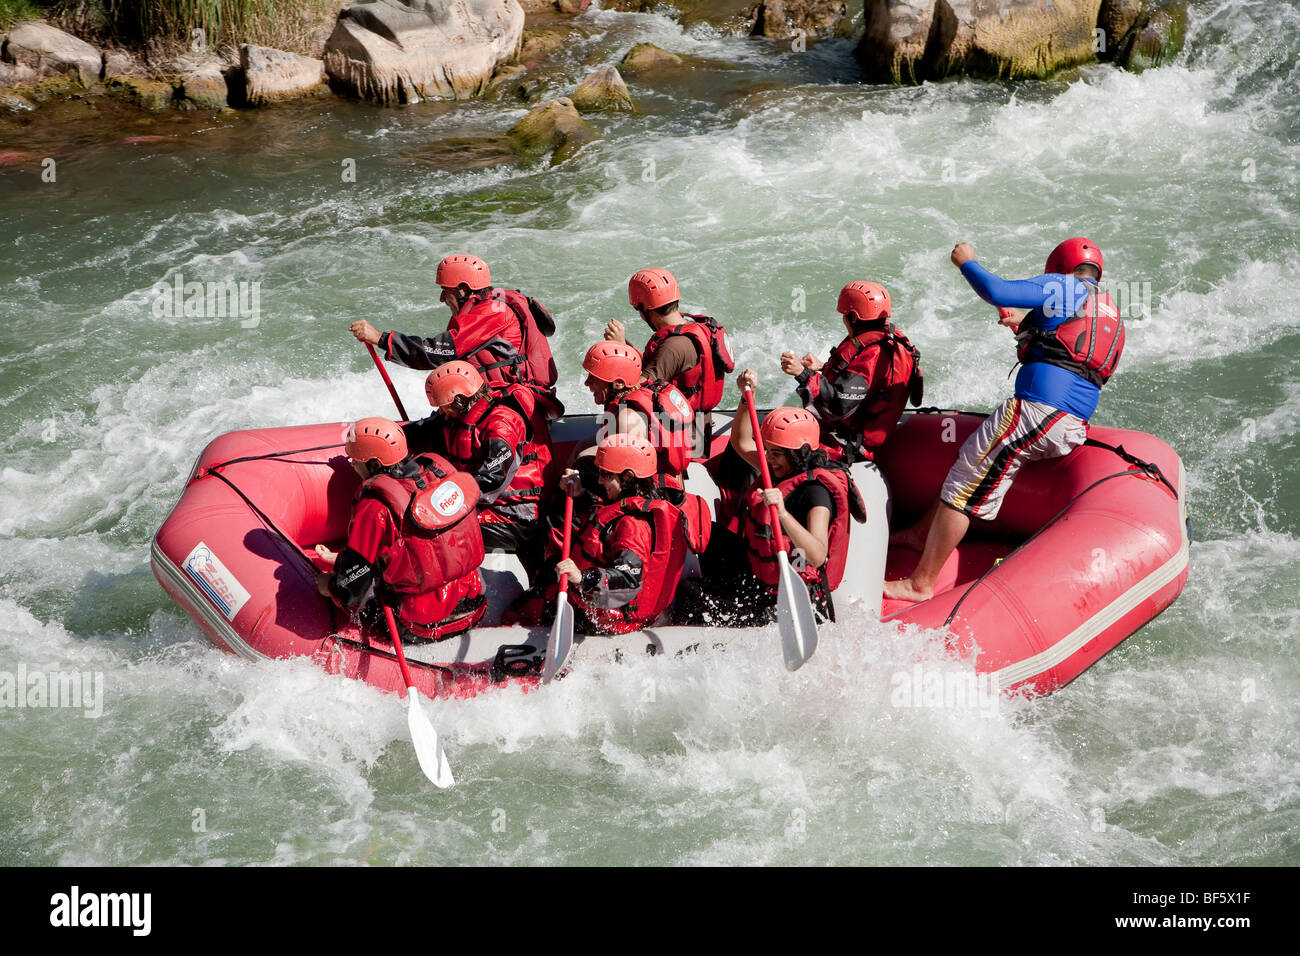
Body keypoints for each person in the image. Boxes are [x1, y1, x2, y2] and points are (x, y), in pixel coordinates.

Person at [884, 237, 1124, 603]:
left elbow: (995, 289)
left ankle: (920, 583)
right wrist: (1023, 323)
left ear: (1059, 266)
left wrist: (967, 262)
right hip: (1070, 424)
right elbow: (1066, 347)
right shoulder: (1107, 310)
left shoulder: (1064, 285)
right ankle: (922, 534)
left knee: (965, 483)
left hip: (1037, 413)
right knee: (970, 460)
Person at [690, 370, 865, 623]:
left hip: (795, 594)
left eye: (776, 454)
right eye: (768, 452)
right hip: (761, 575)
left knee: (692, 600)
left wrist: (782, 513)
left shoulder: (817, 493)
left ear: (799, 454)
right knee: (703, 530)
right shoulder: (779, 469)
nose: (768, 459)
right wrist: (745, 395)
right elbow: (741, 443)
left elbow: (816, 554)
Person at [315, 417, 487, 641]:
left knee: (343, 586)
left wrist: (332, 587)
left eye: (355, 460)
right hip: (474, 605)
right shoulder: (440, 471)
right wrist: (341, 559)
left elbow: (355, 584)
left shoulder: (375, 506)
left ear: (374, 464)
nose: (352, 465)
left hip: (420, 624)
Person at [405, 360, 559, 586]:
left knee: (435, 532)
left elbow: (493, 477)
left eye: (445, 406)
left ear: (461, 399)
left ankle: (459, 598)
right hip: (489, 507)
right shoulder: (460, 412)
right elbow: (425, 429)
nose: (442, 411)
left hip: (516, 515)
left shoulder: (502, 422)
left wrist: (443, 505)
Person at [348, 254, 560, 393]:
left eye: (445, 291)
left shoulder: (491, 312)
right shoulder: (483, 310)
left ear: (463, 290)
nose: (442, 299)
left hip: (507, 403)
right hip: (496, 397)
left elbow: (439, 353)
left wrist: (381, 339)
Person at [551, 434, 692, 635]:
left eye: (605, 474)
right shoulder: (635, 501)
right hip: (603, 603)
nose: (599, 480)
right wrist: (581, 495)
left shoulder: (634, 526)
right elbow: (605, 519)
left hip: (615, 619)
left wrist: (582, 578)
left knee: (531, 605)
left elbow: (628, 579)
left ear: (627, 477)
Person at [781, 281, 923, 462]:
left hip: (846, 443)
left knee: (775, 446)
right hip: (853, 433)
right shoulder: (886, 344)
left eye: (844, 316)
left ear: (854, 317)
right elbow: (862, 386)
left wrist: (802, 373)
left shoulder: (873, 356)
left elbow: (839, 406)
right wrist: (822, 367)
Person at [603, 268, 734, 457]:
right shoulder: (693, 327)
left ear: (645, 310)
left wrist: (617, 350)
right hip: (699, 428)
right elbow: (659, 367)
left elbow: (636, 390)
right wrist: (625, 345)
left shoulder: (674, 346)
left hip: (681, 440)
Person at [581, 341, 694, 489]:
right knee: (581, 449)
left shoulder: (627, 420)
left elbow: (628, 485)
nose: (586, 383)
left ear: (619, 384)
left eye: (594, 377)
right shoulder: (636, 396)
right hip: (662, 483)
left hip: (651, 496)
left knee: (581, 464)